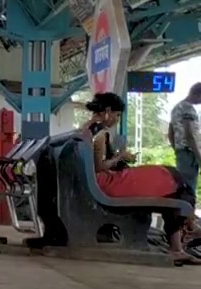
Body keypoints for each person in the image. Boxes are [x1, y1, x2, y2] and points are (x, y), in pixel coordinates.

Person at [84, 93, 199, 265]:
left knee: (172, 179)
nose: (117, 119)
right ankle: (182, 239)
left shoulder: (90, 129)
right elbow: (99, 168)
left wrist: (119, 158)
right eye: (117, 115)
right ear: (107, 111)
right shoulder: (100, 135)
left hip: (109, 181)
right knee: (174, 181)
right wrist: (119, 157)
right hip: (109, 184)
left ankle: (183, 237)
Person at [168, 82, 201, 204]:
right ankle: (188, 218)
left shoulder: (176, 108)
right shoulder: (189, 109)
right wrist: (199, 157)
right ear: (197, 94)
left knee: (183, 186)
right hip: (189, 153)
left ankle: (185, 217)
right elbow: (190, 135)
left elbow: (170, 133)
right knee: (189, 188)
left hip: (181, 152)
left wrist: (176, 149)